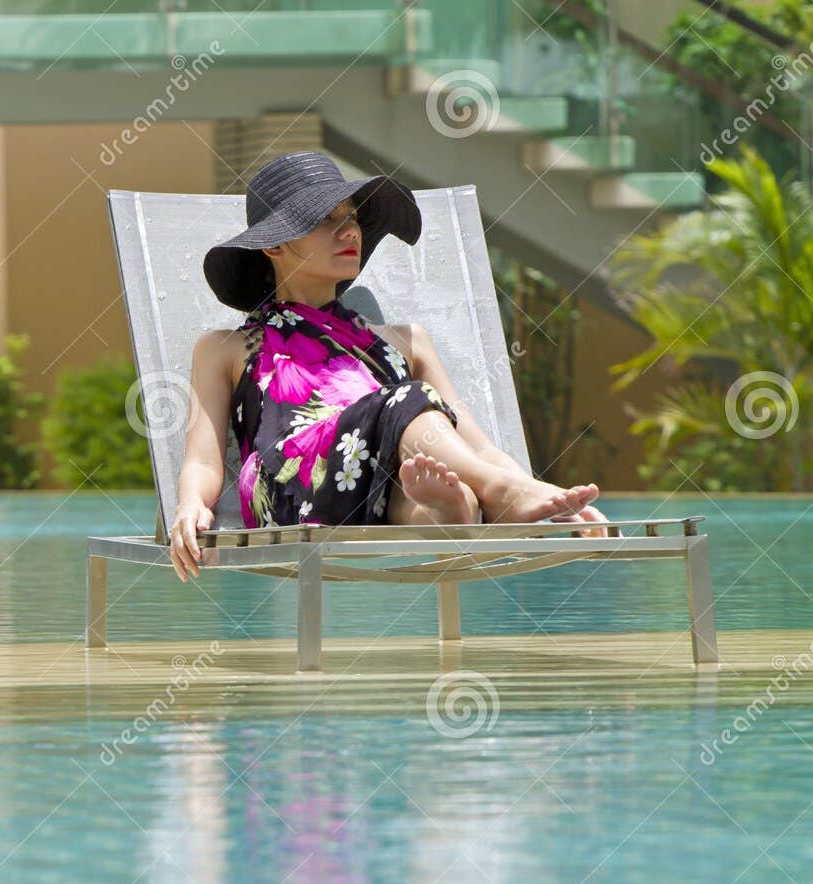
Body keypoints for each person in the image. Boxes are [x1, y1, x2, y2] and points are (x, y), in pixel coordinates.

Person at [170, 151, 608, 581]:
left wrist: (549, 497)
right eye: (326, 220)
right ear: (274, 244)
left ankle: (450, 511)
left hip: (379, 496)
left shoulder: (406, 339)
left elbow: (477, 445)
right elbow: (204, 460)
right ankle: (497, 495)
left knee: (435, 489)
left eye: (353, 217)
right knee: (408, 398)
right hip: (293, 493)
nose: (350, 232)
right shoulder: (226, 347)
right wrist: (191, 504)